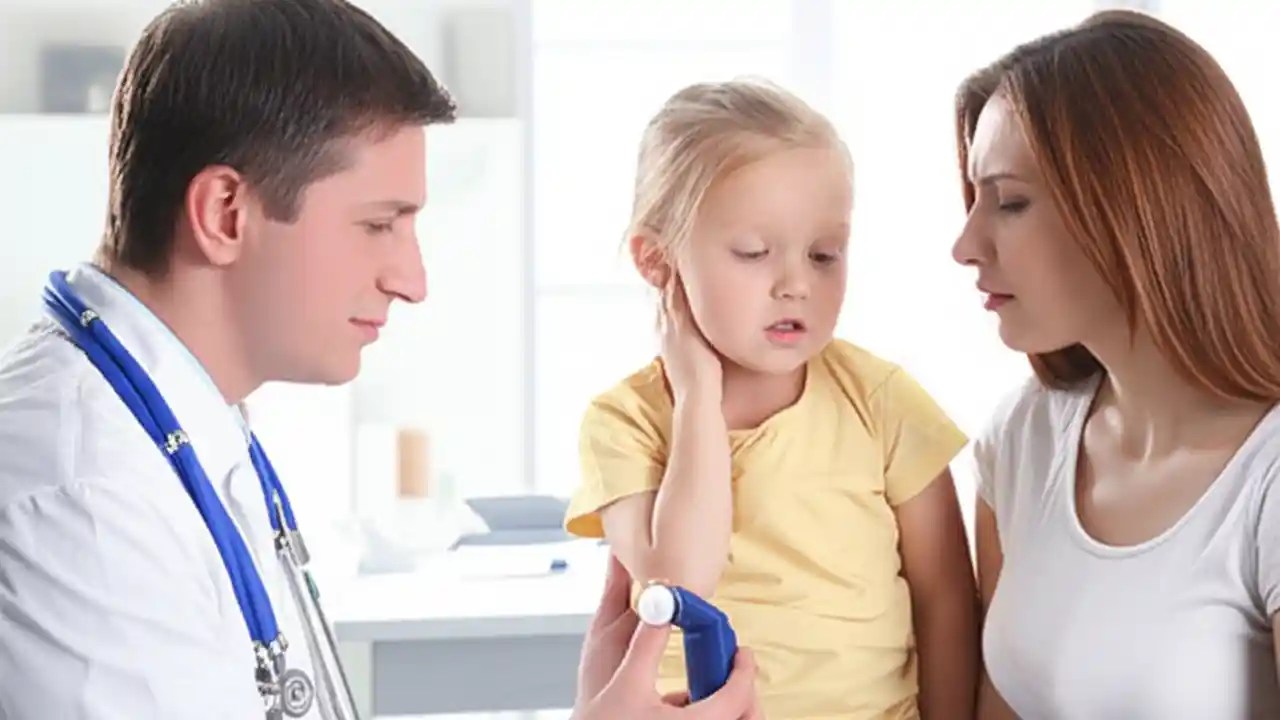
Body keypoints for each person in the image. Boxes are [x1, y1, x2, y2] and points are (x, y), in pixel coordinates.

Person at [0, 1, 757, 718]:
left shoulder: (176, 424)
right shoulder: (81, 493)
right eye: (379, 225)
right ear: (225, 214)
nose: (412, 281)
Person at [564, 78, 980, 719]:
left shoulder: (882, 401)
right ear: (659, 262)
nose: (795, 284)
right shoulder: (625, 423)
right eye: (754, 253)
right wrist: (697, 395)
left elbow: (947, 598)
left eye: (824, 255)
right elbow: (679, 583)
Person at [952, 9, 1280, 720]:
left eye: (1009, 201)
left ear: (1137, 207)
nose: (966, 243)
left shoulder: (1266, 480)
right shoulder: (1023, 436)